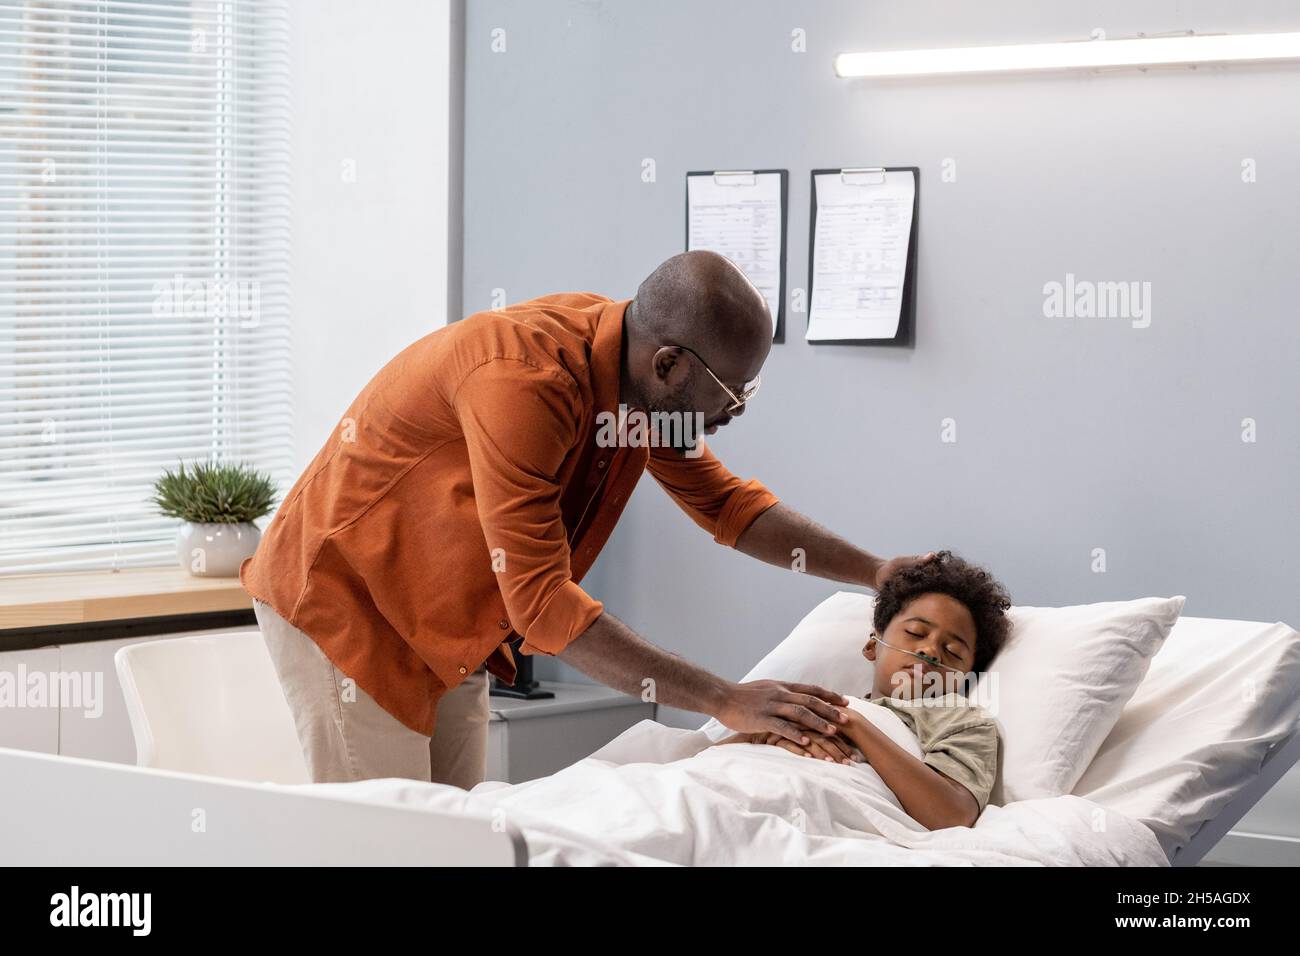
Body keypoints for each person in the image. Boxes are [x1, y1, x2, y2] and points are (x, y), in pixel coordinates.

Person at [242, 250, 935, 787]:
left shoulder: (639, 389)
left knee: (454, 837)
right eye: (731, 392)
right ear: (669, 365)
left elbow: (727, 507)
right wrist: (724, 699)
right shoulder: (524, 383)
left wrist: (876, 570)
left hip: (446, 622)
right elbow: (542, 604)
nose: (735, 412)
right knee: (389, 845)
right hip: (347, 602)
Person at [719, 551, 1011, 829]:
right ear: (873, 646)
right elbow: (709, 763)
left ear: (965, 677)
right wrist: (756, 734)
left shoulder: (962, 720)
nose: (930, 650)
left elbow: (951, 814)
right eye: (915, 633)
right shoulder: (815, 706)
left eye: (952, 651)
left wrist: (854, 724)